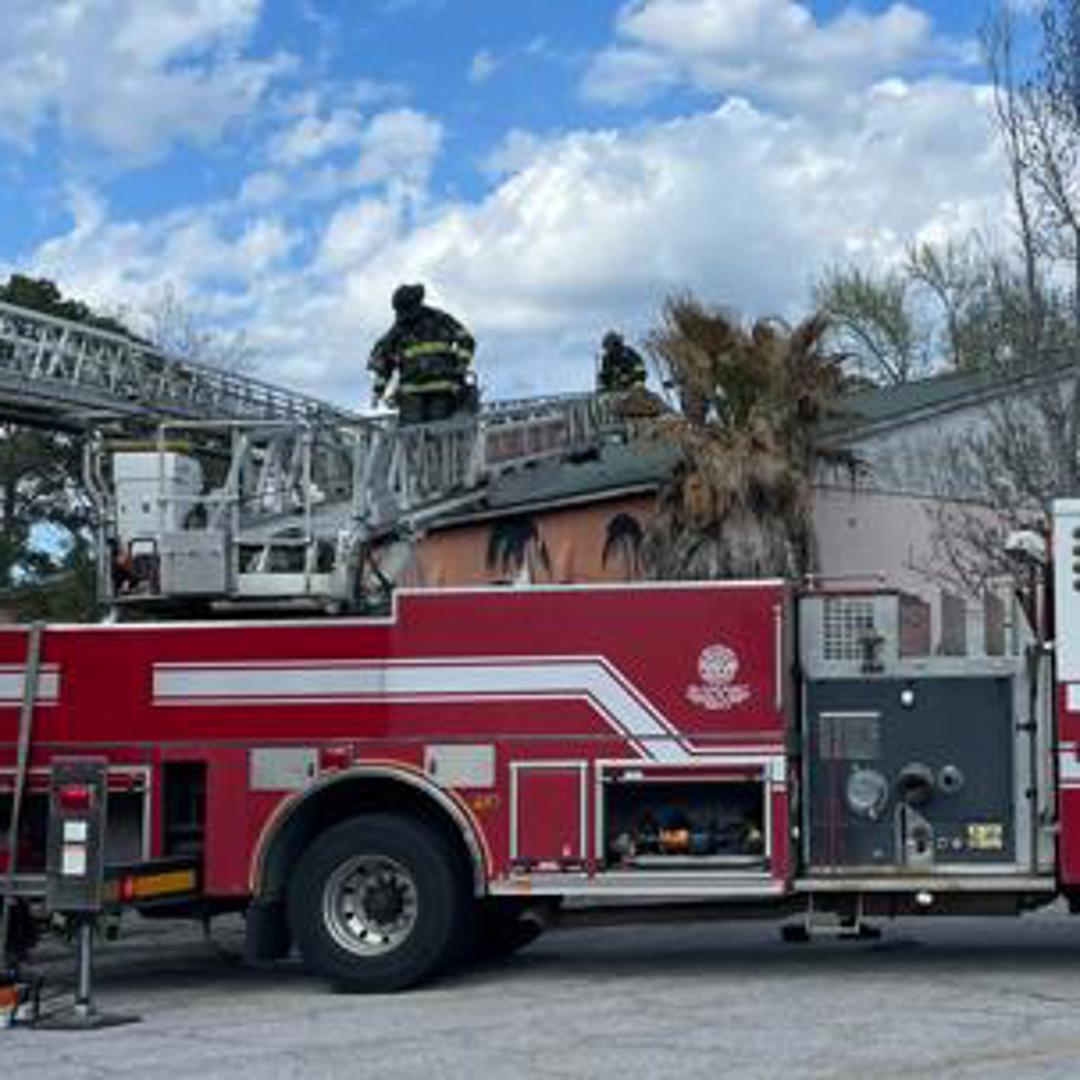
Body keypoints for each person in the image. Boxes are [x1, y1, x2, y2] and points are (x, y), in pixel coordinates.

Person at [368, 283, 477, 425]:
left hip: (441, 389)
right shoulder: (400, 328)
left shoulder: (439, 319)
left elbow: (466, 340)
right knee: (416, 434)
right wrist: (378, 390)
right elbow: (384, 360)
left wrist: (461, 366)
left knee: (437, 432)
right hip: (413, 393)